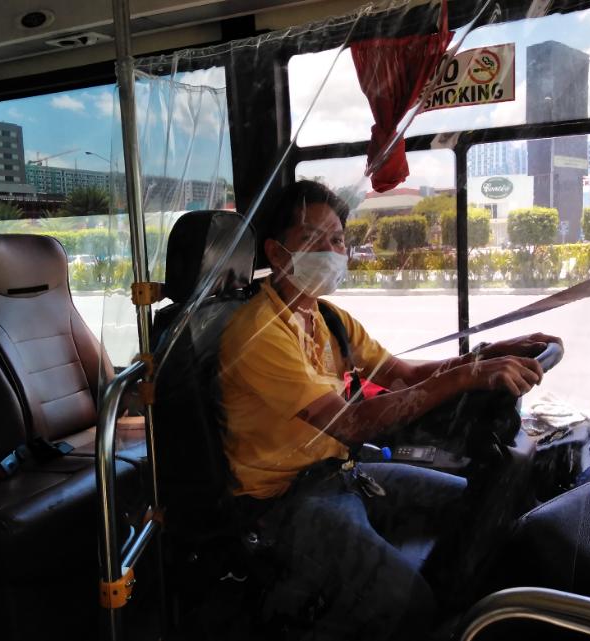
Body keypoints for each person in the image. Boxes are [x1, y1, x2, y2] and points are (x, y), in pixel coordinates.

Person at [218, 180, 561, 640]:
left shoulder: (327, 318)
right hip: (285, 504)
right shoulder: (256, 333)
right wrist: (466, 377)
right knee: (410, 609)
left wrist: (482, 356)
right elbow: (351, 422)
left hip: (340, 475)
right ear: (278, 254)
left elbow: (402, 373)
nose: (332, 250)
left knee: (480, 508)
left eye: (337, 239)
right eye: (312, 240)